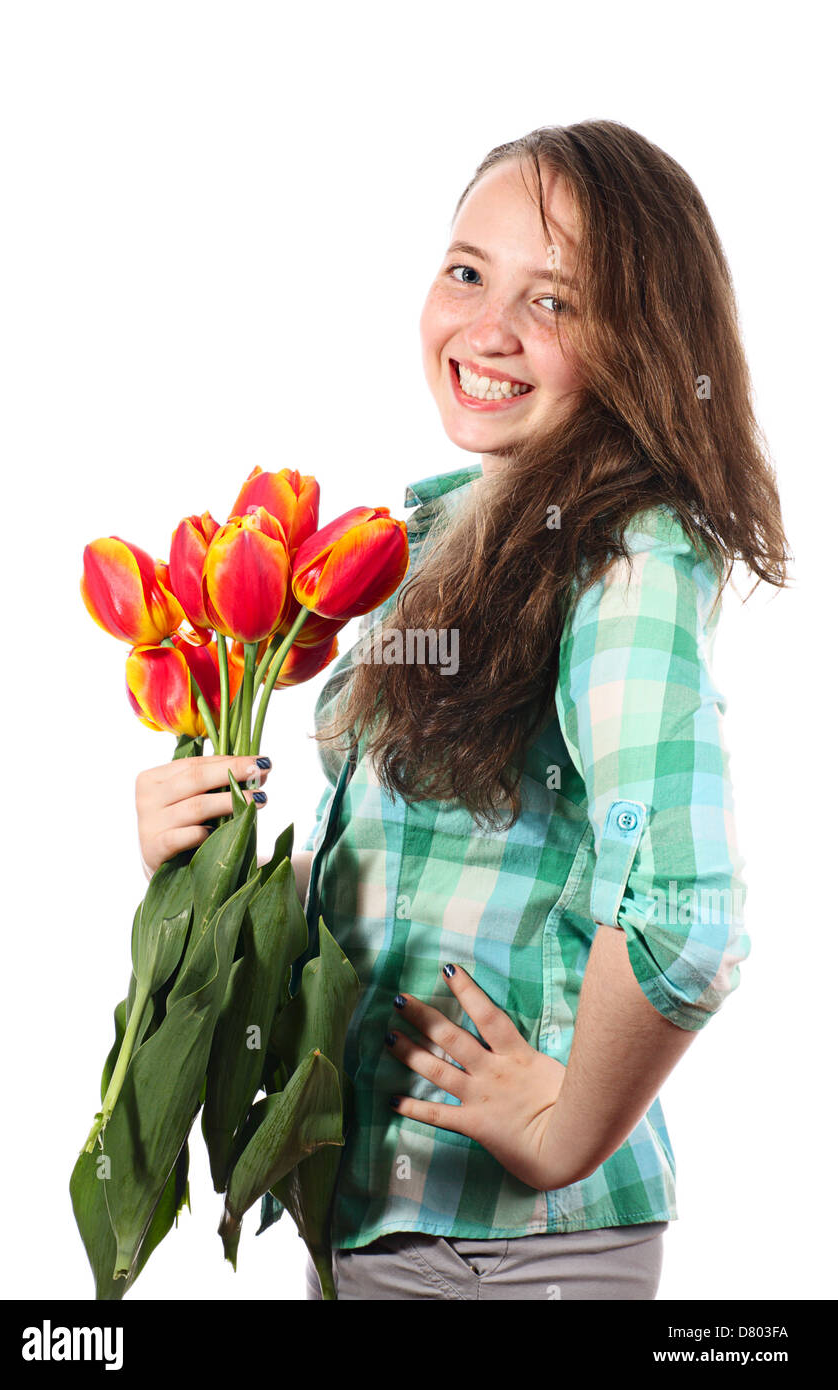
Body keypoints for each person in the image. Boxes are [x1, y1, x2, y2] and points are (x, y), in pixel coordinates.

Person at [135, 120, 789, 1300]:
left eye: (556, 301)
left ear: (644, 342)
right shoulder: (434, 543)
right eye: (465, 271)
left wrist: (560, 1124)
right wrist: (204, 867)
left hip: (506, 1250)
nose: (487, 331)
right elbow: (393, 884)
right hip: (384, 1223)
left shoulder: (626, 562)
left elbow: (688, 907)